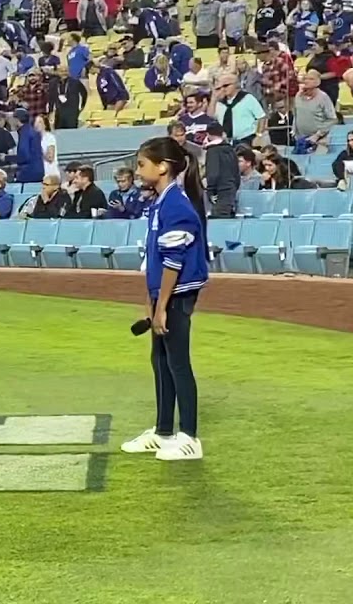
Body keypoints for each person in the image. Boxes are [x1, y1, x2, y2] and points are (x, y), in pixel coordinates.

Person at [120, 136, 209, 462]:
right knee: (161, 361)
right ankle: (163, 431)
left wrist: (160, 307)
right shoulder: (160, 203)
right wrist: (150, 298)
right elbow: (156, 259)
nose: (137, 170)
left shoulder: (176, 205)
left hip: (178, 296)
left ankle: (189, 437)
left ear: (163, 167)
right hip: (165, 294)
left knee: (177, 364)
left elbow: (174, 261)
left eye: (142, 164)